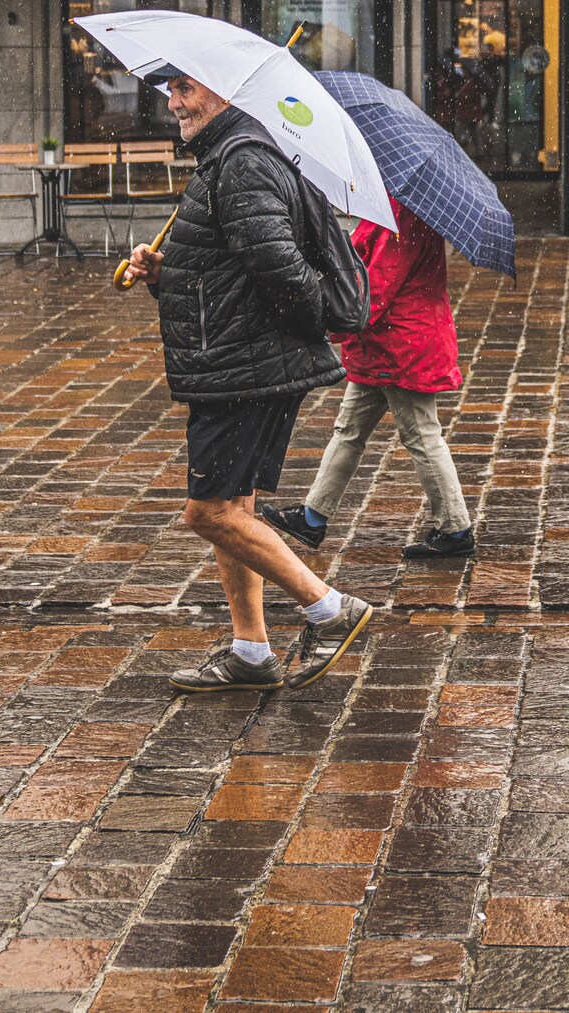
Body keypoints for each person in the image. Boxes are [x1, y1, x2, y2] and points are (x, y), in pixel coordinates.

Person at [120, 76, 374, 694]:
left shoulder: (242, 162)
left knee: (207, 513)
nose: (172, 103)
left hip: (244, 370)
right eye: (168, 90)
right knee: (235, 507)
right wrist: (167, 273)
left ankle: (328, 609)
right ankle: (250, 651)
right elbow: (230, 268)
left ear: (227, 92)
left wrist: (289, 336)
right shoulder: (226, 159)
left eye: (185, 89)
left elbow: (282, 270)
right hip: (235, 363)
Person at [261, 200, 475, 559]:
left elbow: (374, 290)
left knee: (422, 435)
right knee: (349, 430)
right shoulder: (396, 209)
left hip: (400, 347)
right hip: (383, 347)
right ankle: (313, 517)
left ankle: (455, 529)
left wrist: (329, 325)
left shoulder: (401, 215)